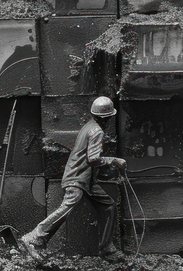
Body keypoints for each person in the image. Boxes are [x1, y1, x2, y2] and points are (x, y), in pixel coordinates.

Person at [18, 96, 127, 263]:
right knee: (67, 207)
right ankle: (33, 238)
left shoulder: (89, 126)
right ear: (107, 117)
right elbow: (93, 159)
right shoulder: (96, 131)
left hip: (86, 180)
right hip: (78, 178)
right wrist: (114, 161)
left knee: (108, 206)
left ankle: (106, 247)